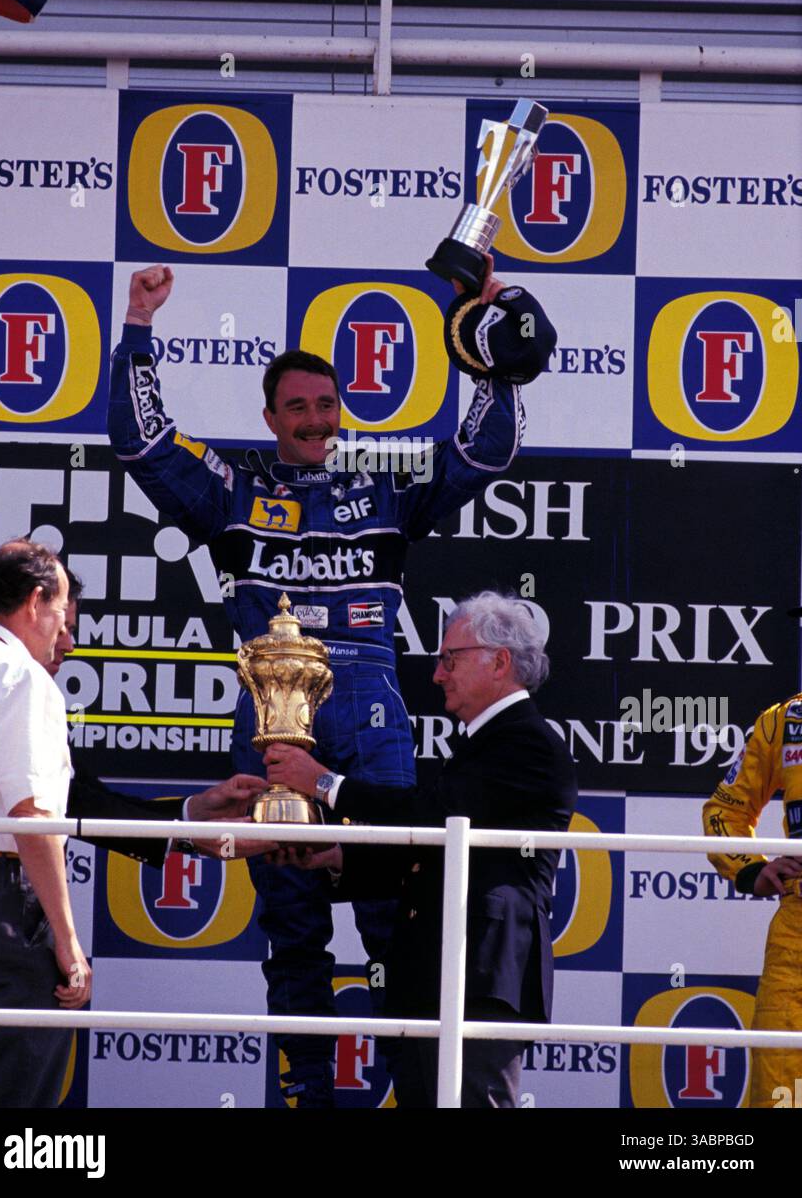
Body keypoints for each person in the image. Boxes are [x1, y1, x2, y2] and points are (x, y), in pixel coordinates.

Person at [108, 264, 553, 1106]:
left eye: (327, 404)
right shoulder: (232, 489)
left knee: (397, 916)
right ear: (270, 416)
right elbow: (140, 444)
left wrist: (489, 333)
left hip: (375, 721)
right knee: (293, 929)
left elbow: (483, 451)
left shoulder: (382, 487)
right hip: (276, 725)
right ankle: (305, 1096)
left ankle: (416, 1092)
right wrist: (137, 325)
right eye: (299, 407)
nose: (316, 420)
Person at [264, 591, 578, 1108]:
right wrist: (337, 859)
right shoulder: (487, 742)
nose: (437, 675)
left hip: (479, 977)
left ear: (499, 662)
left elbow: (436, 815)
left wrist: (324, 784)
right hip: (438, 974)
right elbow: (432, 852)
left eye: (449, 659)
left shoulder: (527, 743)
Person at [0, 541, 91, 1108]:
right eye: (62, 613)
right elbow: (32, 818)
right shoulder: (20, 676)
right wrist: (66, 939)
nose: (68, 635)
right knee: (8, 1094)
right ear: (36, 602)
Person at [55, 568, 266, 866]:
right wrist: (187, 834)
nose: (69, 645)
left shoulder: (2, 675)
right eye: (62, 627)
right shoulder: (14, 681)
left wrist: (191, 813)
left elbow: (76, 800)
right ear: (33, 606)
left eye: (71, 629)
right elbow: (45, 810)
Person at [702, 689, 802, 1108]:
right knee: (780, 1094)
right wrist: (750, 869)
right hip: (797, 939)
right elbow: (724, 810)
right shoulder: (784, 720)